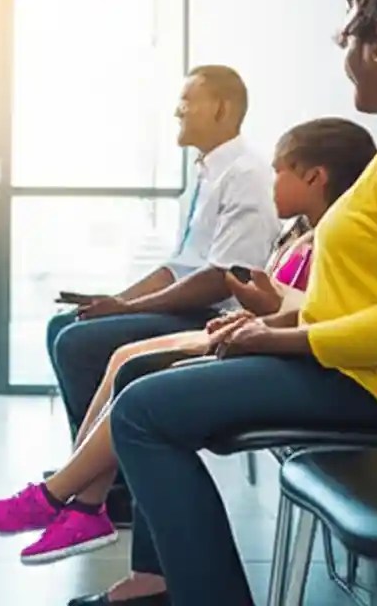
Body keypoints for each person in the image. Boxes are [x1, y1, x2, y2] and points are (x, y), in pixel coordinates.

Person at [83, 0, 377, 606]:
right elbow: (372, 299)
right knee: (143, 383)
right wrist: (274, 322)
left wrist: (269, 340)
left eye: (348, 40)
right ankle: (157, 583)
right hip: (365, 374)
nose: (346, 60)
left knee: (144, 413)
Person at [0, 118, 377, 567]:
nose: (272, 181)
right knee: (123, 356)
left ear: (314, 177)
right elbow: (291, 302)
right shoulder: (297, 234)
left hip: (278, 348)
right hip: (260, 332)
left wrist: (262, 315)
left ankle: (72, 497)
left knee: (133, 369)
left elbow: (317, 311)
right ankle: (82, 497)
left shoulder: (333, 232)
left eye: (280, 171)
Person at [45, 65, 280, 522]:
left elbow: (222, 278)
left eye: (187, 100)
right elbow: (179, 266)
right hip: (190, 305)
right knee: (67, 326)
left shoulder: (246, 175)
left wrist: (127, 309)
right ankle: (93, 473)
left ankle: (112, 489)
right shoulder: (207, 173)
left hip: (215, 320)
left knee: (78, 343)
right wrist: (112, 303)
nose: (177, 111)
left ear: (221, 108)